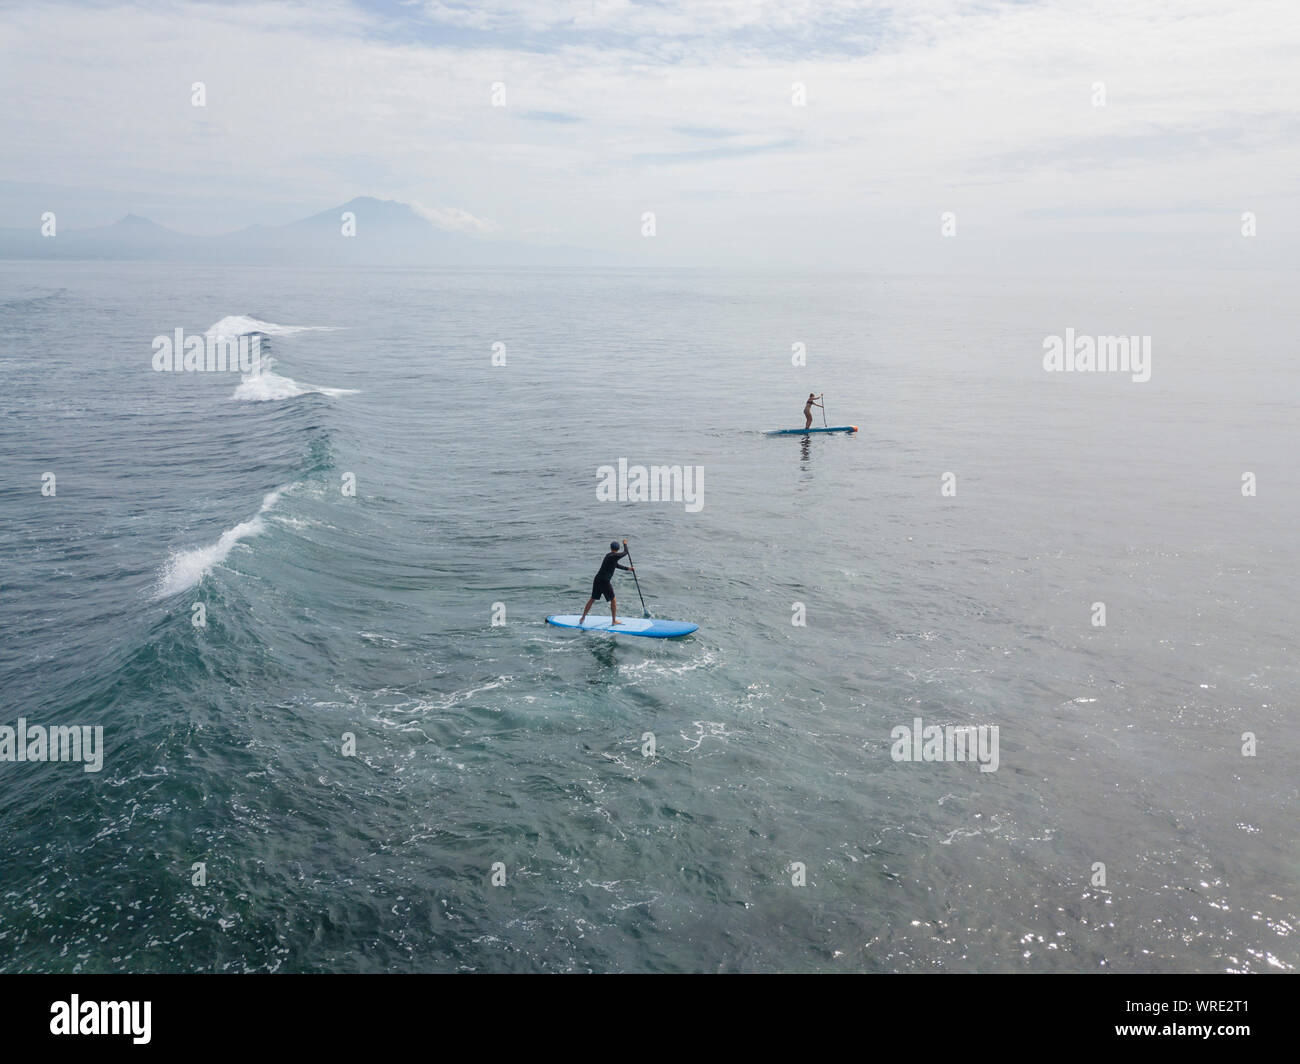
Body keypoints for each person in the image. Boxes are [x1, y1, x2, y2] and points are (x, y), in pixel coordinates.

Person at [578, 539, 633, 625]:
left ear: (611, 548)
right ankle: (614, 621)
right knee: (613, 600)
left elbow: (616, 565)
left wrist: (628, 569)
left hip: (597, 579)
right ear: (618, 549)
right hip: (604, 581)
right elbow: (625, 552)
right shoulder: (615, 556)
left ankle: (582, 618)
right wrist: (625, 544)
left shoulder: (609, 555)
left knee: (592, 599)